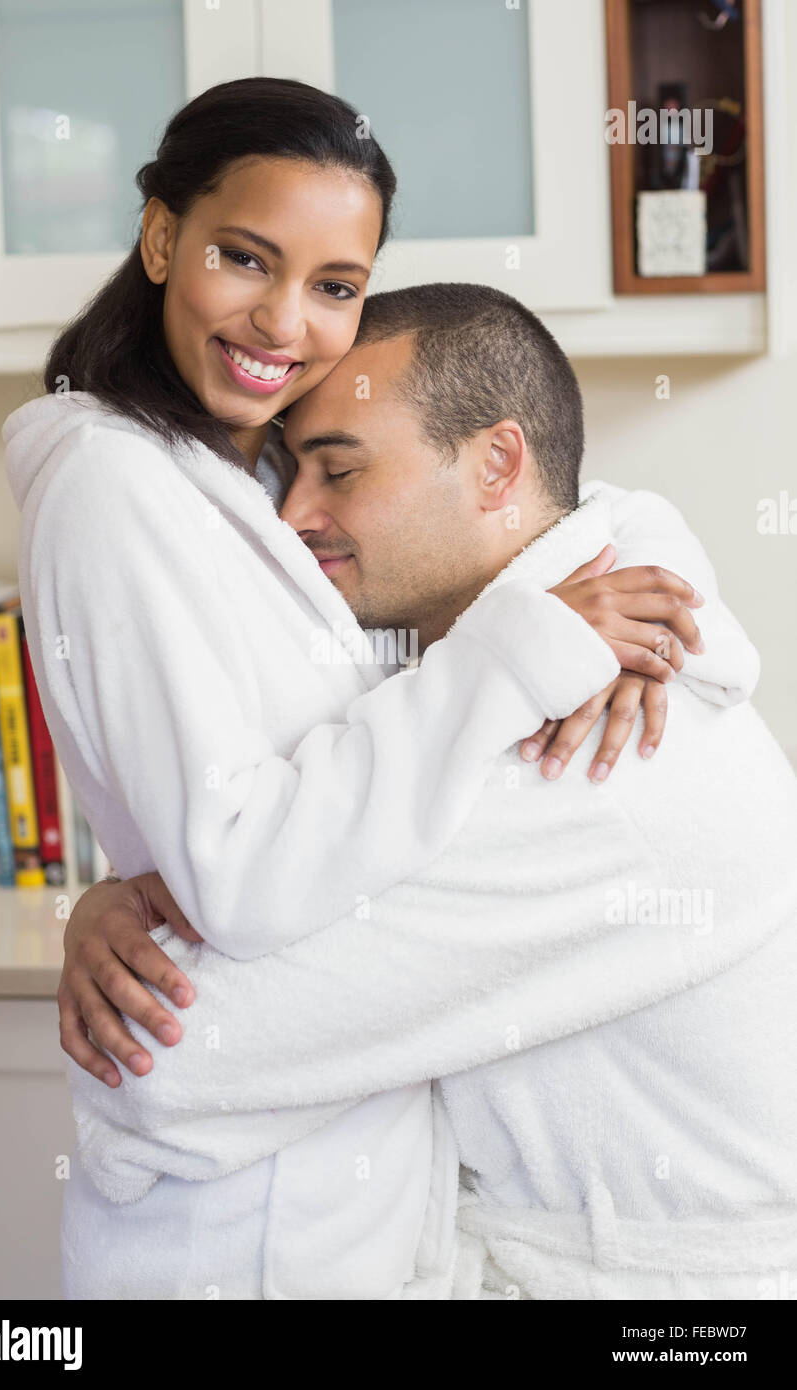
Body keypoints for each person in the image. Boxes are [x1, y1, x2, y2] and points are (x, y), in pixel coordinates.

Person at [47, 286, 784, 1302]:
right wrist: (122, 896)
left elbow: (175, 1062)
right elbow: (299, 839)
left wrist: (135, 959)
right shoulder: (464, 680)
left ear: (495, 464)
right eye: (284, 470)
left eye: (337, 469)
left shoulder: (592, 757)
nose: (294, 515)